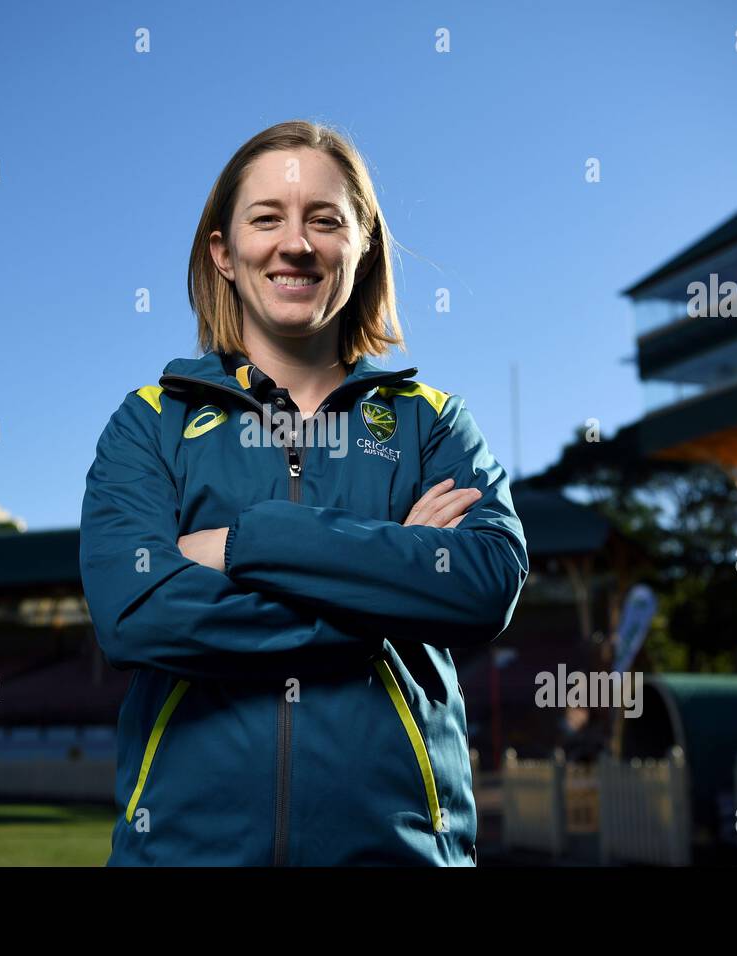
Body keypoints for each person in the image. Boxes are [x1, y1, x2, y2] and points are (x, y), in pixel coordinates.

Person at [79, 120, 529, 865]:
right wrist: (388, 599)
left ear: (364, 246)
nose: (296, 243)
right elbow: (136, 613)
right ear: (224, 253)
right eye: (267, 218)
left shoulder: (433, 422)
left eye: (325, 219)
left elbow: (484, 582)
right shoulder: (149, 423)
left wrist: (244, 543)